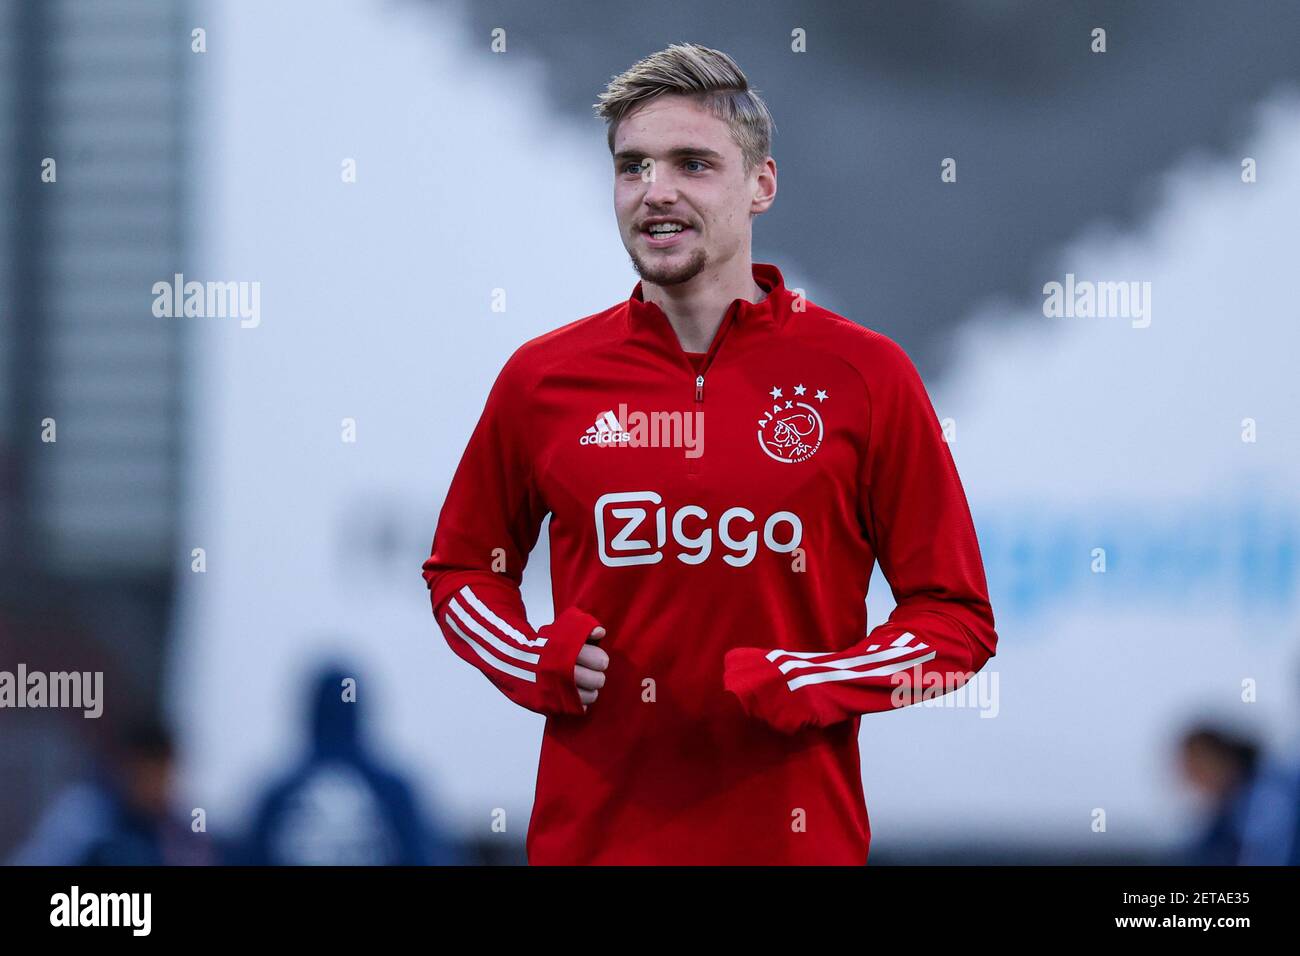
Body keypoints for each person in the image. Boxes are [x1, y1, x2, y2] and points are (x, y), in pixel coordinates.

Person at [421, 42, 998, 864]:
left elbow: (956, 622)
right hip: (592, 846)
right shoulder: (542, 380)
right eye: (633, 168)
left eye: (693, 164)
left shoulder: (865, 376)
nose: (656, 191)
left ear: (761, 185)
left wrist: (818, 680)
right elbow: (461, 570)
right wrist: (529, 657)